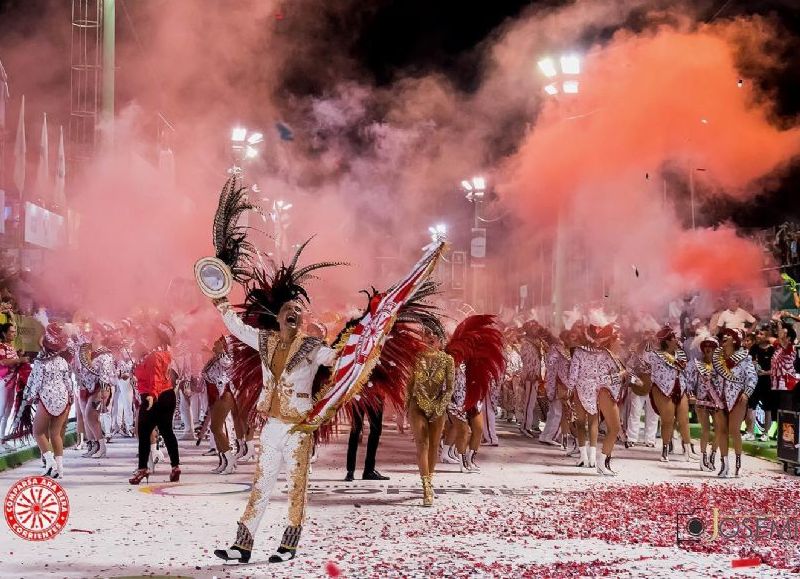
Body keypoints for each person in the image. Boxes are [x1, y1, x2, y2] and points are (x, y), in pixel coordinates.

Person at [568, 324, 629, 475]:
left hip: (589, 389)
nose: (621, 341)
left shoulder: (607, 355)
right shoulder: (603, 355)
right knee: (593, 423)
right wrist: (620, 376)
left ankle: (594, 460)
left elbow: (575, 375)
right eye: (618, 338)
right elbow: (603, 379)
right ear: (611, 340)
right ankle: (595, 461)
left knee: (588, 424)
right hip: (601, 392)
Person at [129, 320, 181, 484]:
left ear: (157, 337)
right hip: (168, 395)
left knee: (143, 432)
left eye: (149, 335)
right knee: (167, 431)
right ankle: (175, 466)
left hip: (154, 397)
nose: (146, 338)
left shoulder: (154, 356)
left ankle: (142, 469)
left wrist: (151, 396)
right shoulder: (166, 353)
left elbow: (155, 380)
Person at [18, 323, 72, 478]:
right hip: (63, 398)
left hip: (47, 398)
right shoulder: (62, 361)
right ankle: (59, 468)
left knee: (38, 432)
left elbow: (37, 383)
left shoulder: (41, 362)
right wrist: (70, 398)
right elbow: (68, 381)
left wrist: (29, 398)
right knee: (55, 434)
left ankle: (51, 463)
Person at [406, 334, 455, 505]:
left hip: (437, 406)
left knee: (434, 445)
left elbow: (449, 389)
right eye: (426, 337)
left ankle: (430, 479)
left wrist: (439, 408)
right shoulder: (415, 358)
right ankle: (426, 487)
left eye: (433, 337)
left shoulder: (448, 360)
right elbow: (409, 385)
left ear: (441, 342)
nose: (429, 340)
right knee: (422, 444)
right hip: (417, 405)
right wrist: (407, 407)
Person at [642, 326, 698, 463]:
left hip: (681, 388)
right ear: (667, 341)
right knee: (668, 421)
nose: (677, 339)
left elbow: (687, 373)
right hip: (663, 389)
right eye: (673, 337)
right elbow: (645, 357)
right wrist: (648, 341)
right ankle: (665, 450)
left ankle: (688, 451)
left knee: (684, 420)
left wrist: (690, 389)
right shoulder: (656, 355)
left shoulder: (682, 355)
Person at [711, 328, 758, 478]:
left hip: (737, 398)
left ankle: (738, 463)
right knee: (721, 430)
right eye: (725, 334)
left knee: (734, 430)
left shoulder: (744, 358)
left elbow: (752, 377)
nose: (725, 336)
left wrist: (746, 393)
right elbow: (712, 376)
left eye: (729, 335)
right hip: (720, 397)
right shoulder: (717, 356)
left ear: (735, 340)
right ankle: (724, 465)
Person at [202, 336, 239, 475]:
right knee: (215, 428)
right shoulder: (214, 358)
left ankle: (230, 460)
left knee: (220, 427)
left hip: (223, 394)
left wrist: (220, 352)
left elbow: (227, 364)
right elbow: (205, 373)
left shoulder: (226, 357)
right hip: (213, 395)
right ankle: (223, 460)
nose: (213, 343)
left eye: (217, 341)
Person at [686, 333, 721, 471]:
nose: (708, 349)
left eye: (711, 347)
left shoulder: (720, 366)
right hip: (701, 401)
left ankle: (712, 456)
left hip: (717, 402)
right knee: (705, 430)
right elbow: (688, 380)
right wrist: (690, 393)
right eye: (706, 346)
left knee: (719, 430)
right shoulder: (695, 364)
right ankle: (702, 459)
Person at [345, 394, 389, 481]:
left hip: (368, 392)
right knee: (358, 430)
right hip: (364, 392)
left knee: (360, 430)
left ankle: (355, 471)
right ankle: (362, 471)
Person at [0, 323, 28, 447]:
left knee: (7, 412)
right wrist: (19, 360)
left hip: (12, 382)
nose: (14, 333)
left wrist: (19, 355)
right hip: (4, 382)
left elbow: (13, 362)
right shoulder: (1, 346)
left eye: (14, 331)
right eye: (11, 331)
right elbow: (3, 361)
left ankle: (2, 439)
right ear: (4, 333)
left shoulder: (10, 346)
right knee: (1, 411)